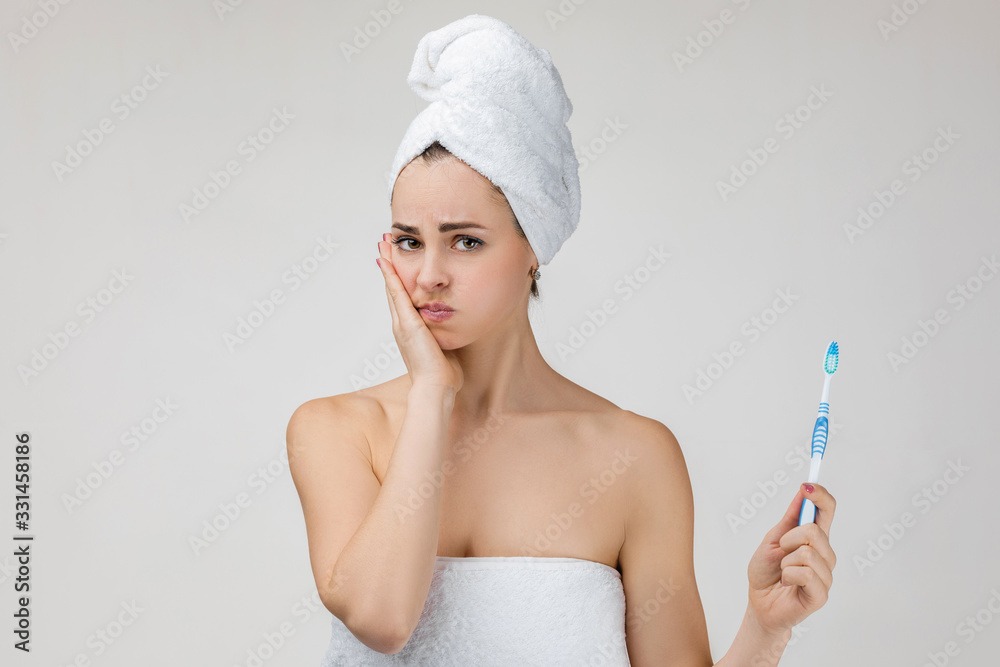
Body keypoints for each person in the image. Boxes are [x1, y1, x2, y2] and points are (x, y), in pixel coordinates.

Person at [287, 15, 837, 666]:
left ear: (533, 248)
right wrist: (433, 392)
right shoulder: (337, 431)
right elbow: (381, 617)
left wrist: (766, 627)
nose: (428, 273)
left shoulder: (635, 457)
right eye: (408, 240)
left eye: (466, 240)